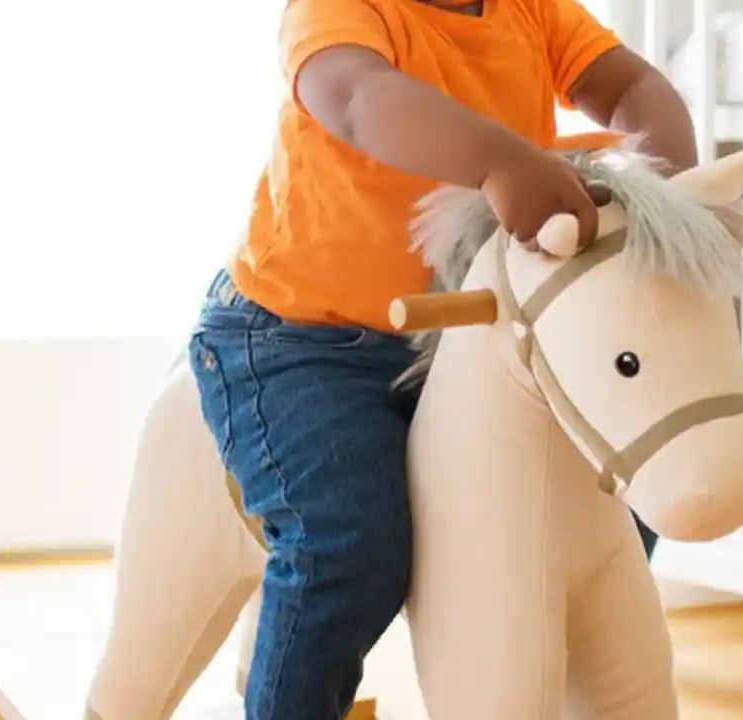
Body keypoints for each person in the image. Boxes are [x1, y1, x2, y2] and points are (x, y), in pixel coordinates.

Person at [187, 1, 697, 717]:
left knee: (610, 507)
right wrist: (501, 161)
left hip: (455, 344)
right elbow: (359, 98)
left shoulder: (533, 11)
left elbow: (629, 89)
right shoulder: (340, 9)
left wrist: (664, 190)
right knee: (350, 542)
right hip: (299, 342)